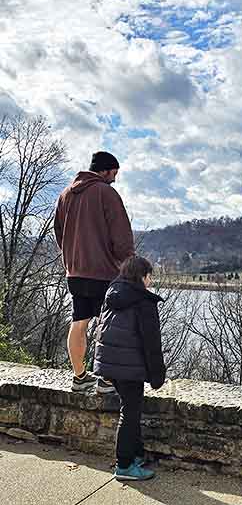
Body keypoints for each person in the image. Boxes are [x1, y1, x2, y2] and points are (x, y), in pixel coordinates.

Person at [54, 151, 135, 393]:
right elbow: (121, 235)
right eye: (114, 173)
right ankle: (106, 380)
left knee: (79, 322)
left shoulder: (66, 194)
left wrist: (72, 257)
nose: (115, 178)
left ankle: (79, 377)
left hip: (75, 271)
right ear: (106, 169)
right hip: (104, 272)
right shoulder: (106, 193)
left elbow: (59, 232)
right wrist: (128, 264)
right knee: (107, 323)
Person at [94, 255, 166, 481]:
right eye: (149, 276)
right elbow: (152, 343)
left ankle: (136, 455)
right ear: (142, 276)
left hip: (108, 363)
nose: (150, 281)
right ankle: (124, 466)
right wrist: (158, 377)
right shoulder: (143, 301)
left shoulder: (112, 294)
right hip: (129, 367)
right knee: (130, 412)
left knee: (129, 407)